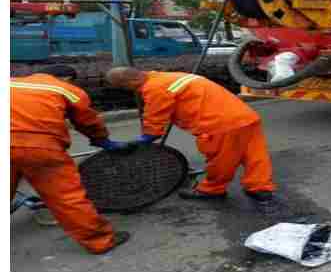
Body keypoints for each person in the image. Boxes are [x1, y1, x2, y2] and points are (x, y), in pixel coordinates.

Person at [105, 67, 276, 202]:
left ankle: (212, 191)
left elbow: (154, 117)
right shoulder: (167, 77)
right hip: (245, 116)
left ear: (130, 80)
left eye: (124, 87)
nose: (127, 90)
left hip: (220, 124)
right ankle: (260, 188)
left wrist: (146, 138)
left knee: (220, 160)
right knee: (254, 155)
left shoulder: (155, 88)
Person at [11, 65, 131, 255]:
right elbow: (88, 120)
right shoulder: (67, 89)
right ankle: (100, 241)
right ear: (67, 78)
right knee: (67, 198)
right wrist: (103, 141)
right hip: (39, 146)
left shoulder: (11, 83)